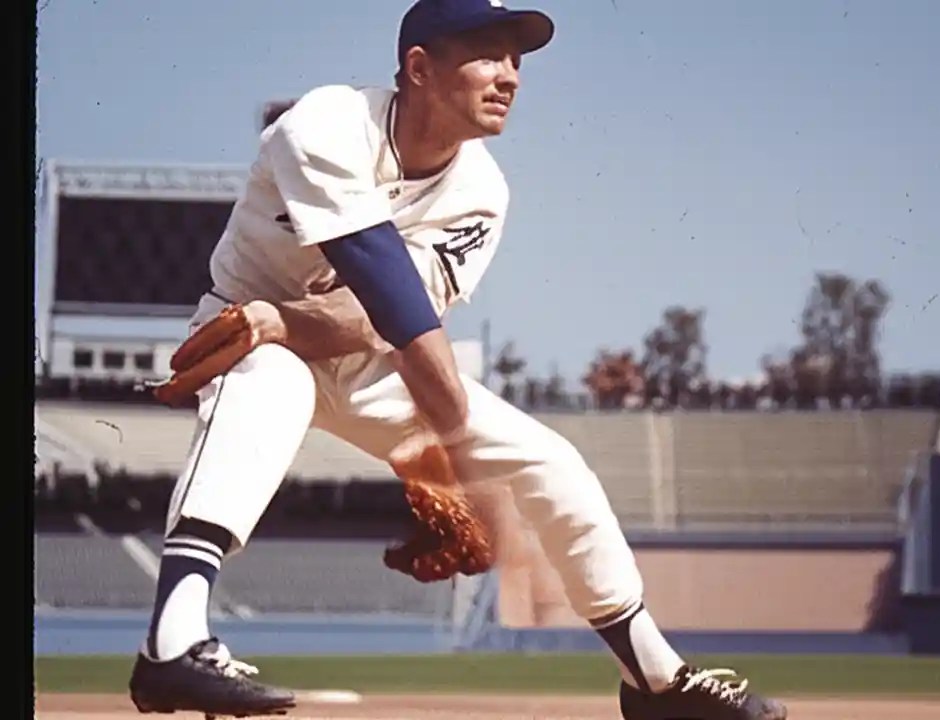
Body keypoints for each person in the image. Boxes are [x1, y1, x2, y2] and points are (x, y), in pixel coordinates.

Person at [125, 2, 788, 719]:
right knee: (272, 380)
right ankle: (172, 643)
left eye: (517, 60)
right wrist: (450, 458)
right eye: (487, 53)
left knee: (551, 462)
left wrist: (283, 320)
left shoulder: (483, 192)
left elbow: (385, 320)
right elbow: (389, 291)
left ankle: (655, 679)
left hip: (357, 351)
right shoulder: (325, 124)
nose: (510, 76)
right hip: (246, 339)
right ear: (419, 66)